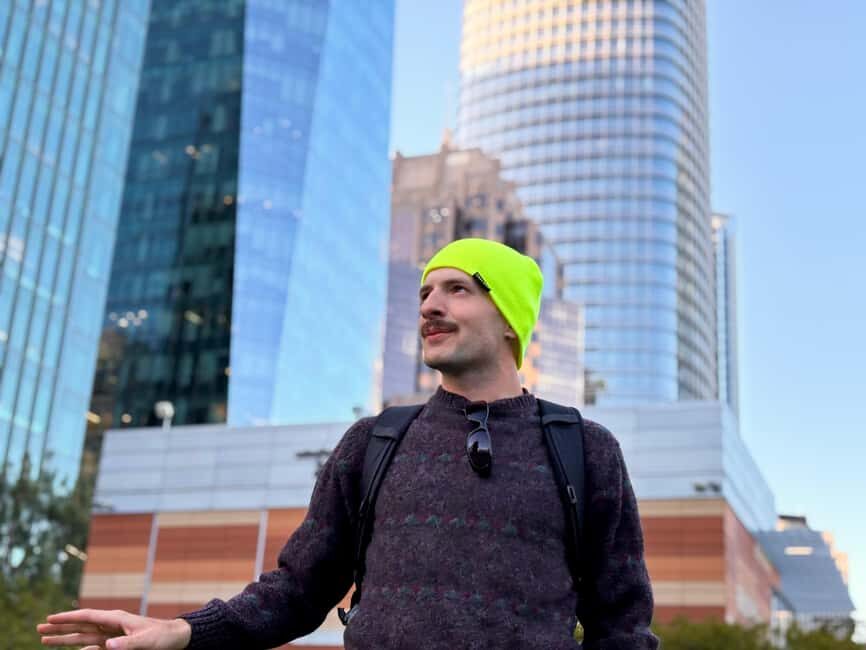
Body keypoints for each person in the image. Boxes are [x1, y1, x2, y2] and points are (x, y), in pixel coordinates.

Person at [38, 238, 658, 649]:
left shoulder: (585, 449)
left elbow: (621, 626)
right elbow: (298, 590)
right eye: (424, 293)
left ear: (509, 319)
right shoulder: (375, 441)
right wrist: (181, 631)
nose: (430, 307)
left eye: (457, 289)